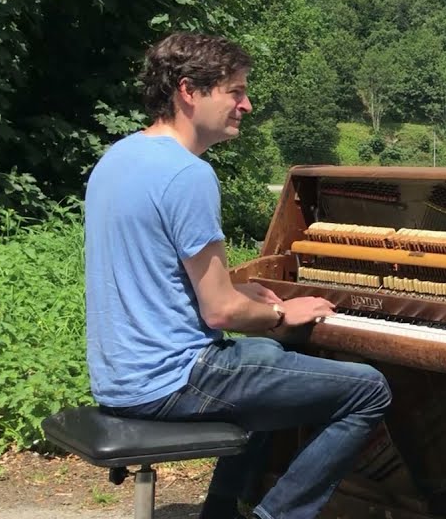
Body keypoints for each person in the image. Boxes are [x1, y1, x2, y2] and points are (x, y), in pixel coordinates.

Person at [84, 32, 392, 519]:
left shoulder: (118, 158)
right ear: (189, 91)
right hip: (175, 379)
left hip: (120, 377)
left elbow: (155, 276)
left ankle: (222, 510)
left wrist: (249, 302)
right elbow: (222, 311)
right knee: (368, 389)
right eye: (235, 91)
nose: (246, 104)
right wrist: (278, 311)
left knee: (272, 354)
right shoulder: (187, 175)